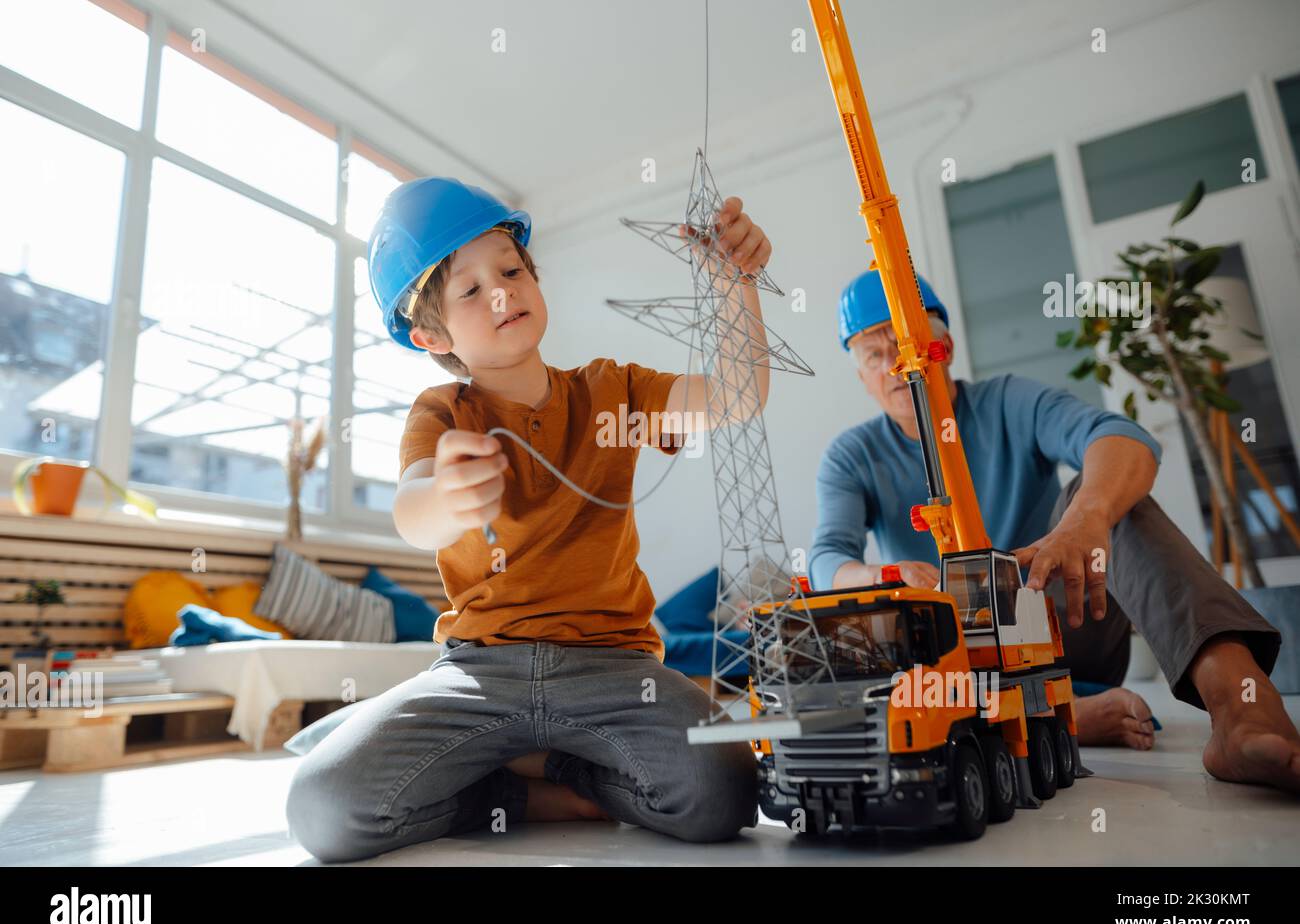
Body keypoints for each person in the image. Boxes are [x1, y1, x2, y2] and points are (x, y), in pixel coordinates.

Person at [285, 177, 775, 862]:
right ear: (431, 333)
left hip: (613, 668)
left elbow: (737, 395)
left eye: (511, 270)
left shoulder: (614, 392)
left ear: (535, 275)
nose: (501, 292)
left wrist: (736, 287)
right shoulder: (442, 413)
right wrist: (444, 499)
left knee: (721, 788)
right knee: (322, 805)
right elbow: (412, 512)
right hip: (480, 672)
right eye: (470, 288)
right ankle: (523, 792)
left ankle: (557, 766)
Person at [810, 268, 1299, 793]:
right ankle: (1066, 714)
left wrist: (1086, 516)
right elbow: (826, 560)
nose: (894, 367)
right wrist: (886, 574)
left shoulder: (1007, 402)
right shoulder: (851, 456)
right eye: (873, 355)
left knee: (1104, 495)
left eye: (903, 345)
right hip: (951, 663)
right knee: (861, 627)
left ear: (943, 346)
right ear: (861, 376)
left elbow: (1121, 436)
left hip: (1058, 622)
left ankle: (1240, 707)